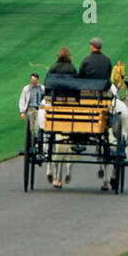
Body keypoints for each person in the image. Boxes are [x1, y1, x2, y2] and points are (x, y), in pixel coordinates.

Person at [45, 47, 78, 187]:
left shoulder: (53, 67)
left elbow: (47, 86)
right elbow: (77, 86)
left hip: (55, 105)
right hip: (69, 106)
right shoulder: (72, 69)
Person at [18, 73, 43, 154]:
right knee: (31, 127)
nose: (34, 81)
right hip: (31, 109)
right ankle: (32, 145)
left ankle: (36, 144)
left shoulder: (41, 88)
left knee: (37, 127)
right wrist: (22, 111)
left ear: (37, 80)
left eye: (35, 80)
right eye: (32, 80)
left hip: (39, 109)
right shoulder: (27, 89)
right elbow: (22, 100)